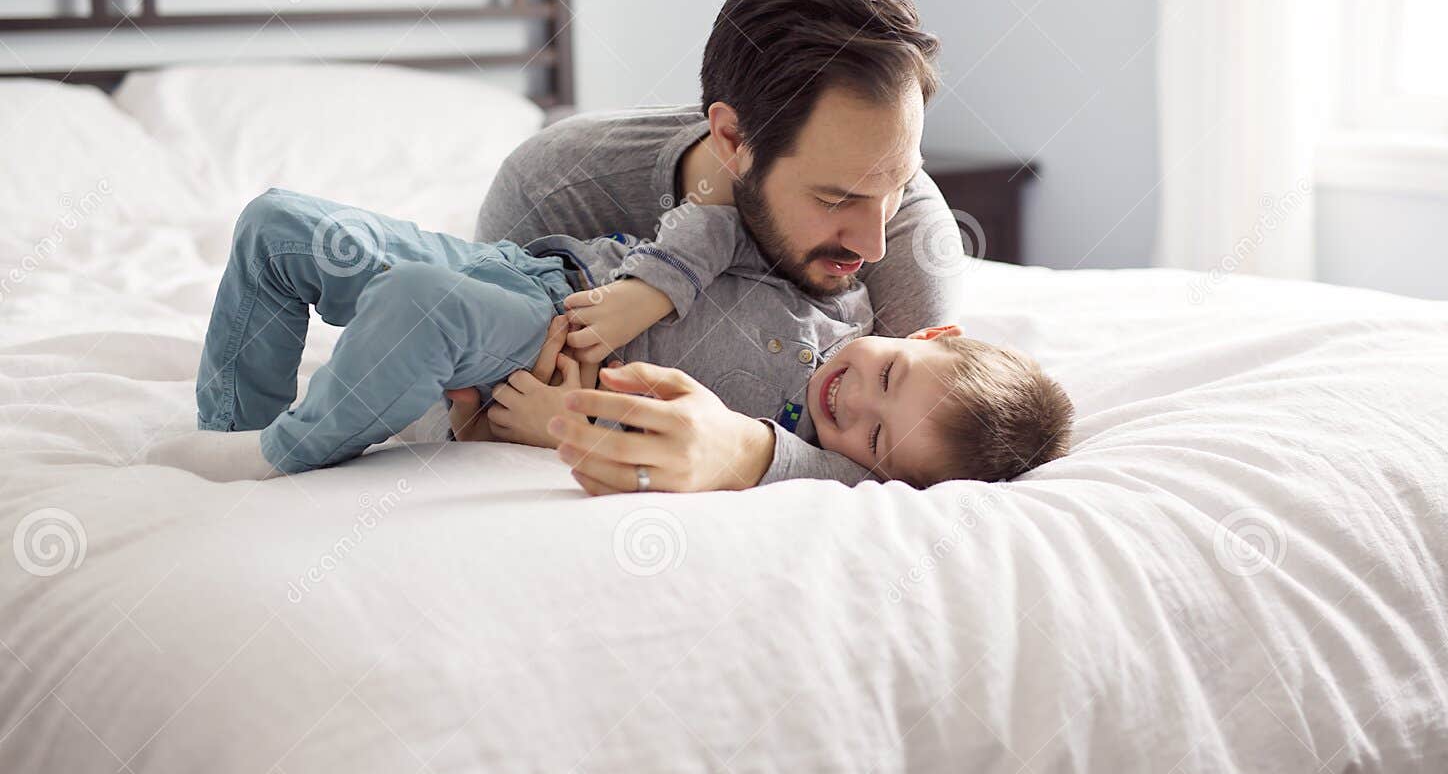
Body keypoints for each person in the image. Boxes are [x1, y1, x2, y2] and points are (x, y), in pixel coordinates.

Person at [468, 0, 971, 495]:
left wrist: (746, 452)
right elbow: (467, 395)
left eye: (898, 184)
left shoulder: (913, 236)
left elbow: (913, 469)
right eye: (835, 200)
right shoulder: (554, 189)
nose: (874, 244)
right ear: (732, 138)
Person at [142, 187, 1072, 487]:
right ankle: (233, 424)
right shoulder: (837, 293)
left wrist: (555, 422)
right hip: (531, 267)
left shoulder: (801, 456)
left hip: (529, 338)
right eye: (891, 375)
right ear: (928, 331)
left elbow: (648, 449)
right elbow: (715, 216)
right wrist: (648, 290)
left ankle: (274, 455)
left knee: (421, 306)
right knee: (277, 225)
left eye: (877, 437)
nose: (853, 401)